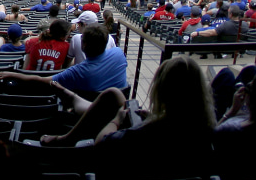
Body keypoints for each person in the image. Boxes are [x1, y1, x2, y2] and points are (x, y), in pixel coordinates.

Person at [29, 56, 213, 148]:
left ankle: (65, 137)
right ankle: (76, 100)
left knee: (114, 104)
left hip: (126, 179)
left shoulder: (148, 131)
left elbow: (102, 141)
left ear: (162, 91)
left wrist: (117, 120)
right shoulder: (207, 129)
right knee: (114, 95)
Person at [0, 24, 128, 96]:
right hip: (114, 112)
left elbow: (41, 80)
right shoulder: (119, 54)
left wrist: (13, 73)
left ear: (84, 45)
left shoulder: (78, 71)